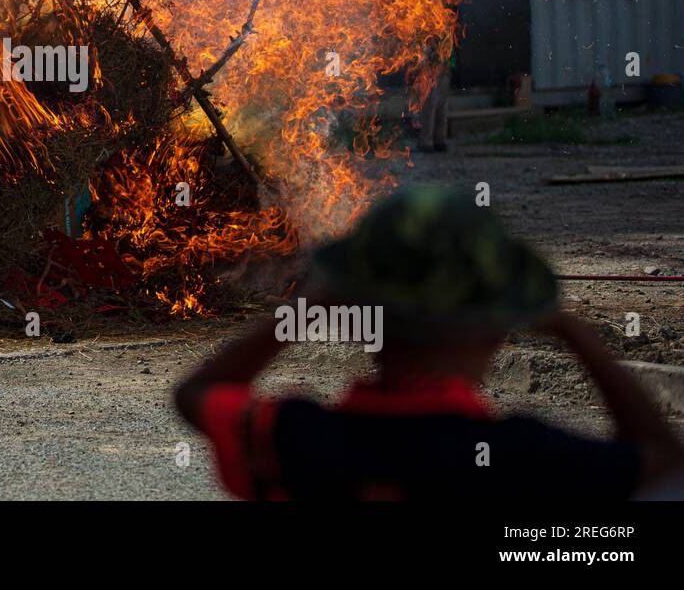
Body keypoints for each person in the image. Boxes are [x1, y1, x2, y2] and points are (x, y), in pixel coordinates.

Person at [174, 187, 683, 499]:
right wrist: (570, 329)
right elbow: (663, 461)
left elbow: (196, 393)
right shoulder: (528, 459)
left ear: (359, 319)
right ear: (497, 329)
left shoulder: (294, 438)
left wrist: (312, 305)